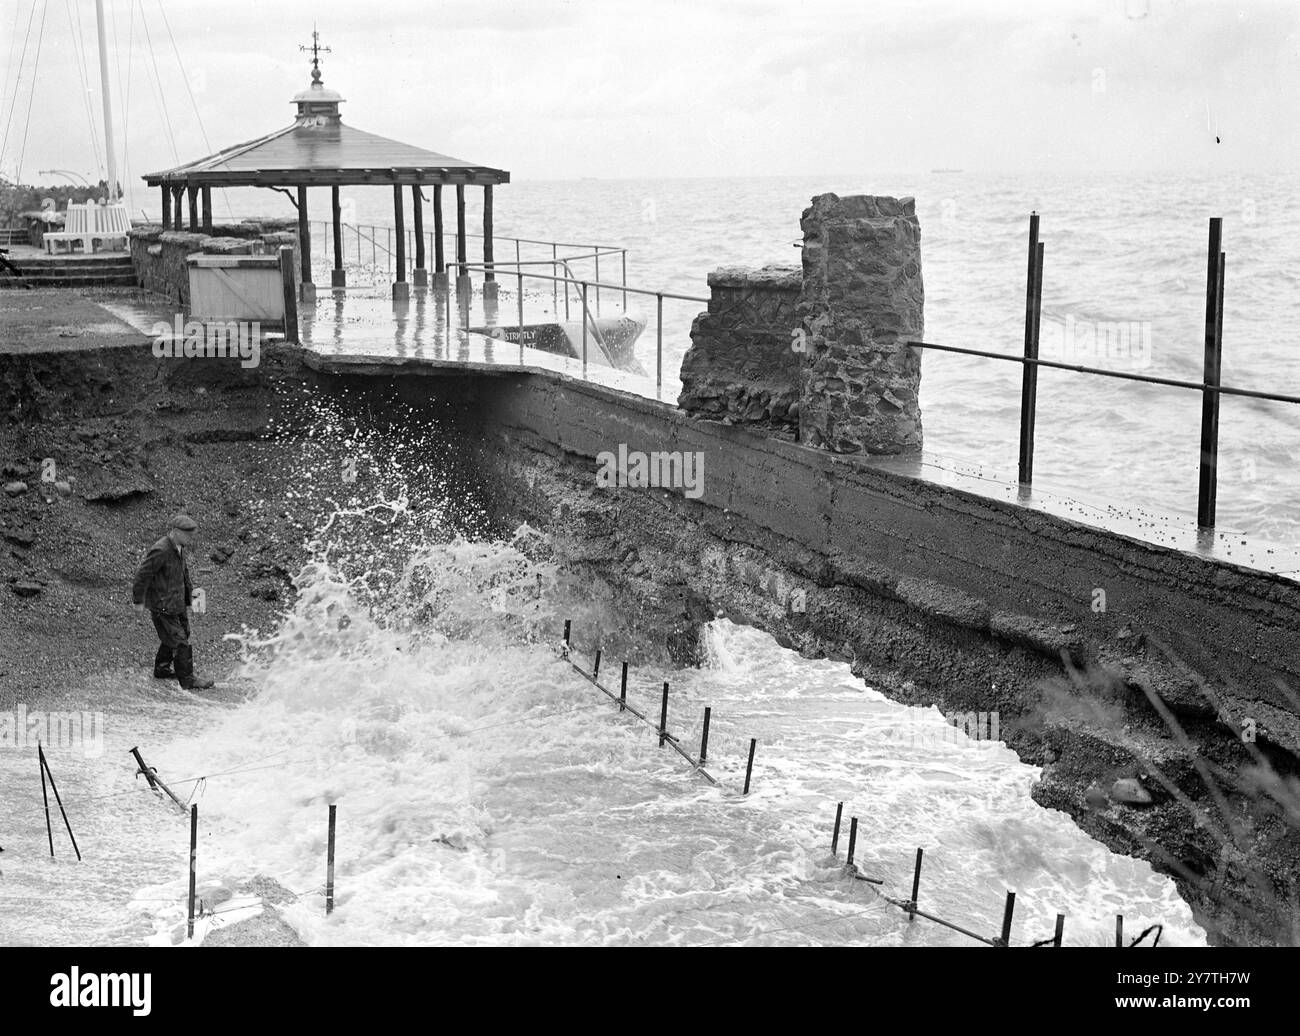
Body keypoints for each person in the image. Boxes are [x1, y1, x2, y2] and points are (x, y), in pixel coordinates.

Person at [131, 514, 215, 690]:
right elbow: (142, 575)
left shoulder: (179, 547)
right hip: (163, 606)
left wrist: (192, 598)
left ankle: (161, 668)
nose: (190, 539)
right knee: (180, 641)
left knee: (183, 632)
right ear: (176, 532)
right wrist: (138, 600)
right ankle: (188, 680)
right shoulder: (161, 550)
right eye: (188, 535)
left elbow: (184, 574)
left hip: (176, 602)